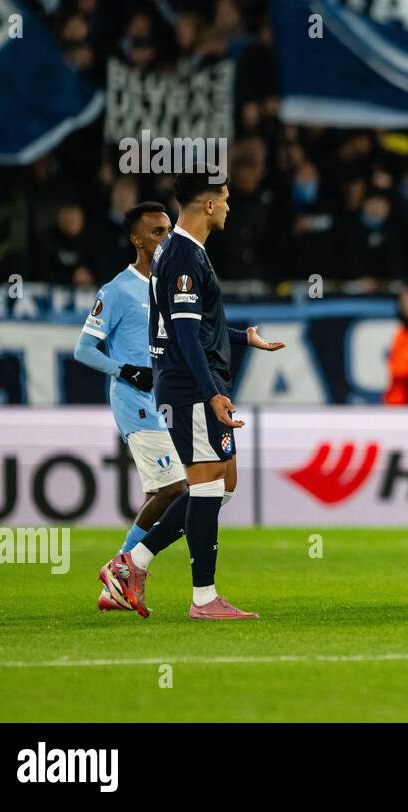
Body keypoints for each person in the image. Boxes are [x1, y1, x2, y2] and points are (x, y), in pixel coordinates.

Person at [98, 173, 285, 620]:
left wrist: (241, 337)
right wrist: (212, 392)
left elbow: (190, 325)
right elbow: (183, 333)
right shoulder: (182, 255)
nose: (228, 207)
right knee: (205, 485)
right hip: (190, 386)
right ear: (207, 205)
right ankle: (203, 597)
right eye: (224, 199)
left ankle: (132, 563)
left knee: (223, 483)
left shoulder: (180, 253)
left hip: (191, 381)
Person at [74, 201, 188, 612]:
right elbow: (83, 349)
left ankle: (118, 584)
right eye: (157, 232)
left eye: (169, 230)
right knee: (177, 489)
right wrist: (125, 370)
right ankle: (123, 566)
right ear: (137, 240)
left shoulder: (169, 285)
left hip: (168, 405)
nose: (166, 238)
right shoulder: (117, 290)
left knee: (180, 491)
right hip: (135, 403)